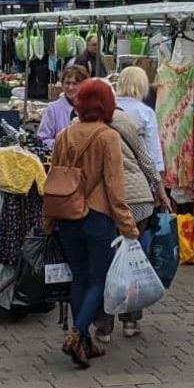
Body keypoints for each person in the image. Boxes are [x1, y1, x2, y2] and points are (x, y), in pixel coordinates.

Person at [46, 78, 139, 368]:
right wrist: (128, 226)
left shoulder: (64, 135)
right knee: (100, 279)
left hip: (66, 215)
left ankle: (84, 341)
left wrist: (48, 219)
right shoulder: (107, 136)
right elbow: (114, 186)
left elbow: (54, 178)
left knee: (80, 277)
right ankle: (76, 334)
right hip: (97, 217)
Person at [100, 99, 171, 340]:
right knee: (133, 259)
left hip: (105, 200)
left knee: (106, 263)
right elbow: (147, 160)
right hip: (138, 199)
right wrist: (160, 191)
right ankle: (130, 322)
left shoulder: (82, 124)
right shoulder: (128, 121)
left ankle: (104, 326)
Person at [113, 66, 164, 172]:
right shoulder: (146, 113)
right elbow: (152, 148)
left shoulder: (109, 106)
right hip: (137, 170)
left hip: (112, 165)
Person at [36, 65, 87, 143]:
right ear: (62, 84)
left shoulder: (89, 109)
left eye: (75, 83)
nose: (70, 87)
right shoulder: (52, 109)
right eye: (67, 83)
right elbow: (42, 138)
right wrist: (63, 145)